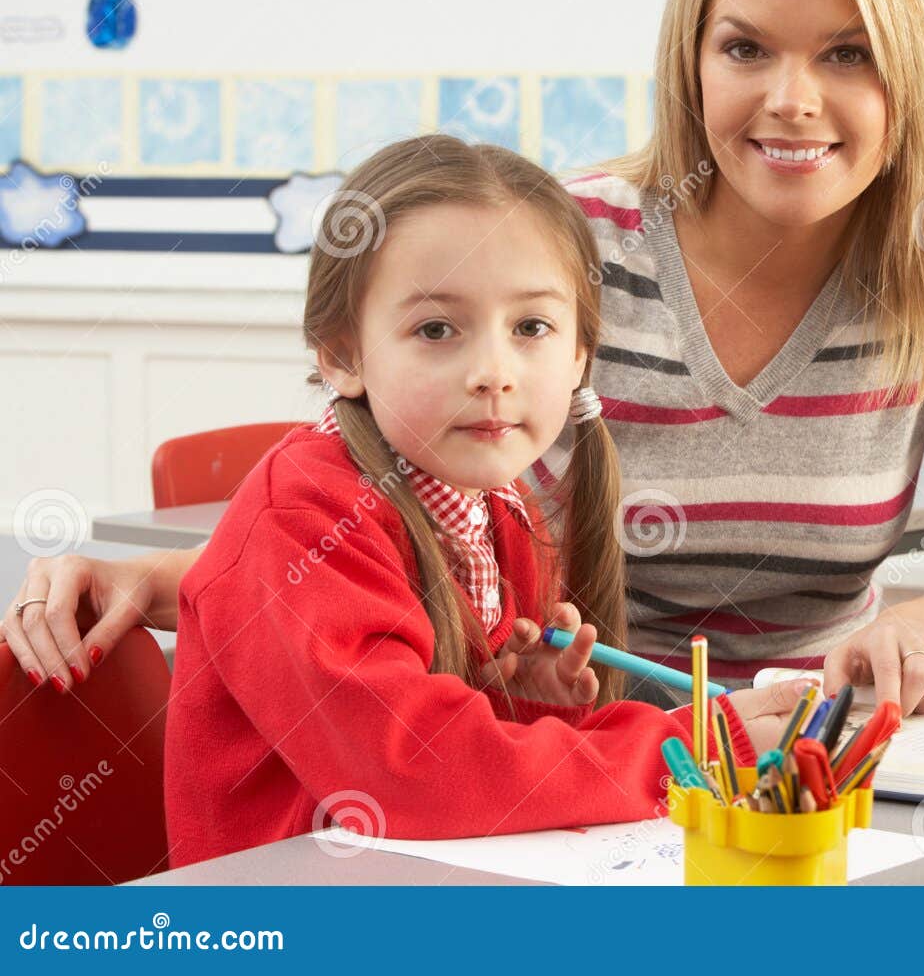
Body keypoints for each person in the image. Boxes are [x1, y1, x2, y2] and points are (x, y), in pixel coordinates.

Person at [5, 0, 924, 721]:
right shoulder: (567, 244)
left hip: (819, 750)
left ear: (914, 65)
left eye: (847, 54)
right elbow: (408, 543)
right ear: (691, 58)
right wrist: (165, 579)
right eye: (745, 48)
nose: (790, 98)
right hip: (567, 756)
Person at [159, 137, 807, 866]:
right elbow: (415, 775)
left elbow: (461, 765)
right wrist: (691, 753)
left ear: (580, 355)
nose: (493, 372)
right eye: (437, 329)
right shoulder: (304, 519)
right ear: (343, 353)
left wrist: (521, 702)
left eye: (531, 327)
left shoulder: (501, 508)